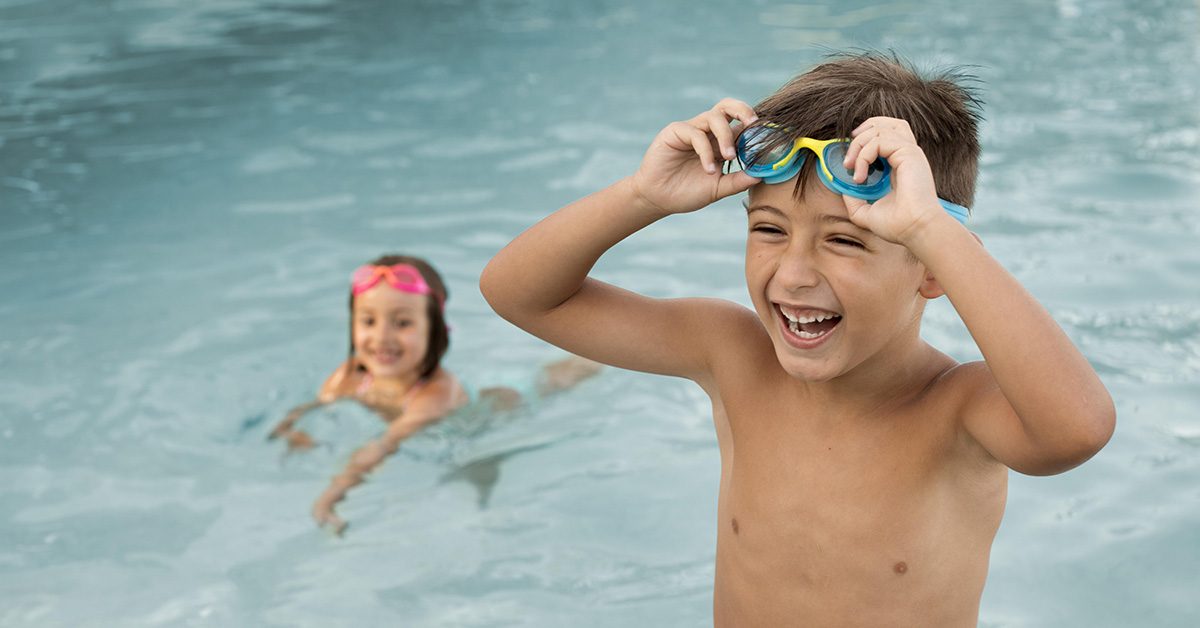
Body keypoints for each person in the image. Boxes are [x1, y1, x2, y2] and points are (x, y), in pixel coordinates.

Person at [480, 52, 1115, 626]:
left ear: (932, 270)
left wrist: (930, 227)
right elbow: (519, 293)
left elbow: (1076, 429)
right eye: (769, 229)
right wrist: (643, 196)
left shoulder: (958, 409)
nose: (794, 274)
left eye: (844, 240)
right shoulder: (731, 354)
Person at [269, 254, 599, 534]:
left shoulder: (434, 395)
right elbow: (315, 406)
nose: (382, 337)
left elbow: (384, 445)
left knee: (559, 377)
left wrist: (332, 495)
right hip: (469, 396)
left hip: (502, 402)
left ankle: (597, 352)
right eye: (368, 321)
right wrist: (294, 431)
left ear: (435, 330)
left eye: (402, 323)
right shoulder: (352, 374)